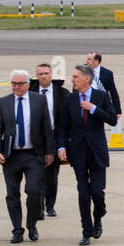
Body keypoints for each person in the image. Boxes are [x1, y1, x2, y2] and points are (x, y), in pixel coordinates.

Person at [0, 69, 55, 243]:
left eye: (20, 84)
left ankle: (31, 224)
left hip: (33, 154)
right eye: (13, 84)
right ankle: (17, 229)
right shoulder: (3, 102)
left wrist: (50, 151)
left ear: (27, 84)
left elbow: (46, 128)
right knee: (12, 194)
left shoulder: (38, 100)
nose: (17, 87)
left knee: (34, 191)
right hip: (11, 155)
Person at [57, 63, 117, 246]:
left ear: (87, 79)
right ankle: (86, 231)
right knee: (83, 193)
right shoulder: (70, 99)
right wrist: (61, 147)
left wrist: (93, 109)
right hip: (78, 153)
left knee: (97, 192)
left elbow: (113, 119)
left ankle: (99, 215)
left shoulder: (100, 96)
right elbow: (63, 126)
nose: (72, 80)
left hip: (97, 152)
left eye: (75, 77)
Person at [33, 63, 69, 217]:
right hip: (36, 139)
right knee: (36, 175)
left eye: (46, 73)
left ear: (51, 75)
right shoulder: (31, 92)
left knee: (52, 176)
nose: (43, 76)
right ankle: (38, 206)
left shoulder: (61, 93)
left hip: (54, 138)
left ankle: (50, 205)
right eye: (40, 74)